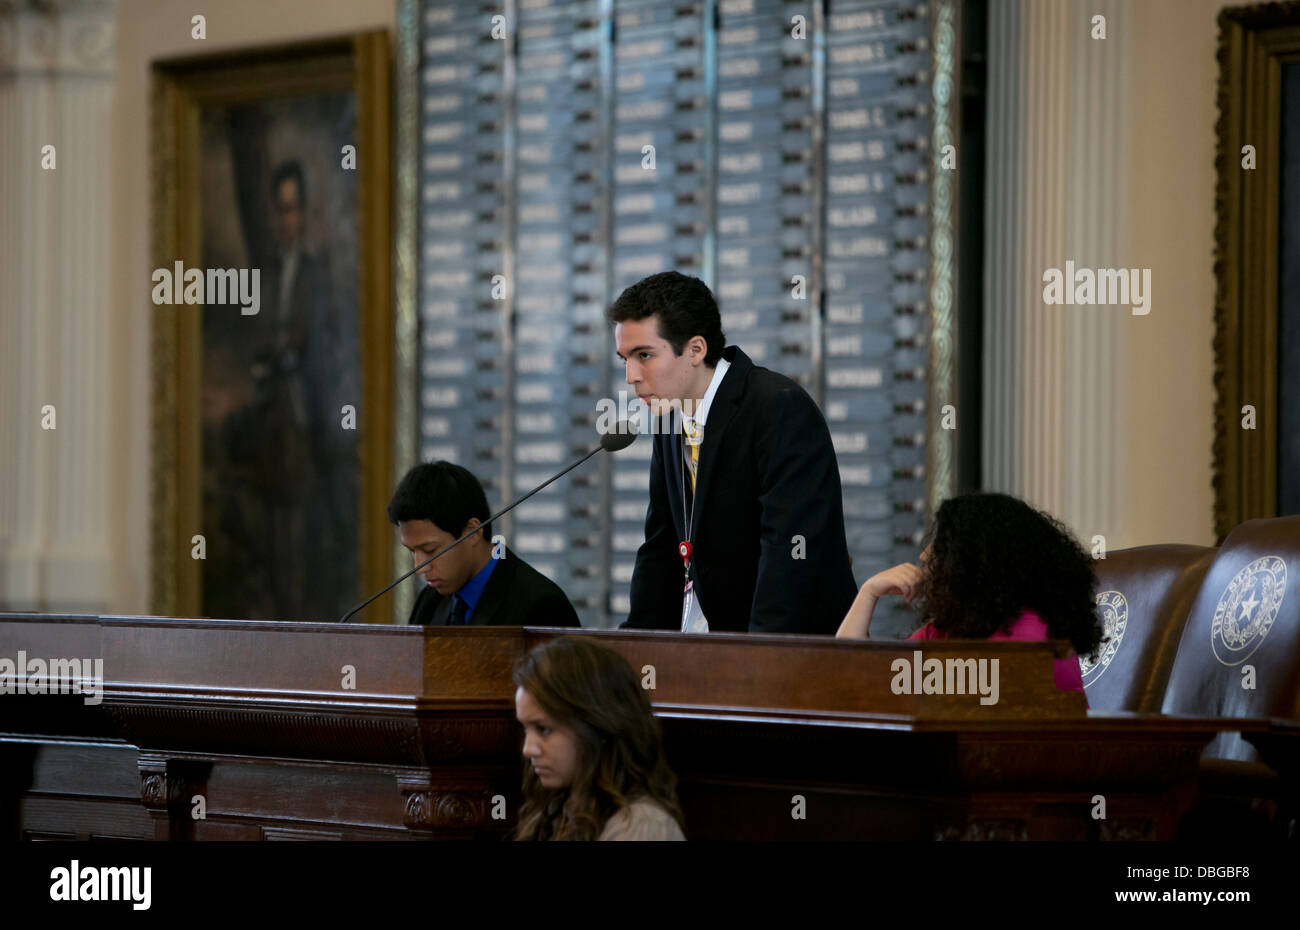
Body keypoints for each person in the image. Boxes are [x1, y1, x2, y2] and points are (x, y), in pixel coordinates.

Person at [609, 271, 857, 634]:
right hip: (719, 647)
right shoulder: (669, 418)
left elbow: (789, 554)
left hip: (793, 650)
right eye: (624, 359)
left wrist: (754, 662)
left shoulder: (776, 407)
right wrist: (637, 644)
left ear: (695, 350)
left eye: (644, 355)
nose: (631, 375)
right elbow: (661, 548)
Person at [835, 492, 1103, 695]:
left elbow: (876, 686)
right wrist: (868, 594)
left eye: (941, 546)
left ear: (978, 562)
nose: (924, 555)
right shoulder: (950, 630)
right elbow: (846, 681)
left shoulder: (1032, 635)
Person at [512, 637, 685, 840]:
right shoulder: (556, 811)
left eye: (544, 729)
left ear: (597, 726)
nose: (528, 749)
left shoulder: (641, 826)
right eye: (525, 729)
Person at [388, 462, 581, 627]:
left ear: (472, 531)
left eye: (430, 550)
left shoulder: (542, 605)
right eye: (412, 551)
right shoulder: (429, 601)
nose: (419, 567)